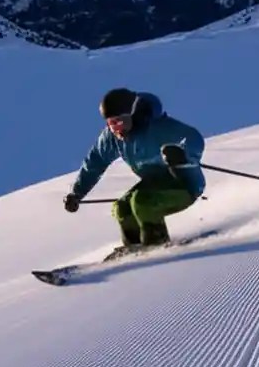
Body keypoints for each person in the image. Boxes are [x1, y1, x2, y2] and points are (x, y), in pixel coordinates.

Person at [65, 88, 205, 258]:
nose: (116, 128)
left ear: (134, 114)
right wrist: (77, 193)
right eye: (111, 123)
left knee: (142, 202)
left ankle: (157, 247)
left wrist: (182, 155)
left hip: (184, 185)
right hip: (153, 184)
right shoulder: (113, 137)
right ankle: (135, 248)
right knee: (122, 208)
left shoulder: (158, 127)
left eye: (121, 121)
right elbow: (94, 163)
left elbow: (193, 138)